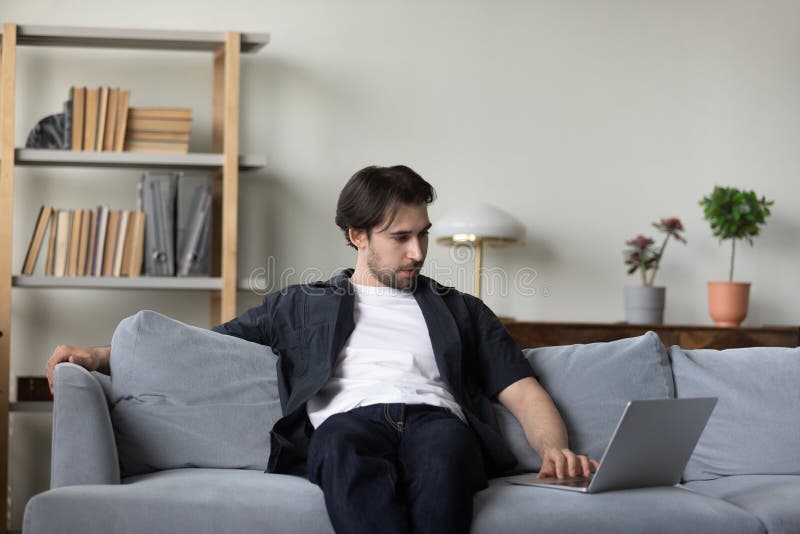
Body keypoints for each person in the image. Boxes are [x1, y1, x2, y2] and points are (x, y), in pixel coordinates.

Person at [47, 165, 599, 534]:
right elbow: (198, 347)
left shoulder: (461, 309)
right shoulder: (300, 305)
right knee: (338, 450)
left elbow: (523, 391)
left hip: (434, 420)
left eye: (423, 234)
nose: (418, 251)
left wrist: (554, 448)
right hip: (347, 422)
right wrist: (99, 355)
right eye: (400, 237)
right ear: (358, 235)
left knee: (446, 455)